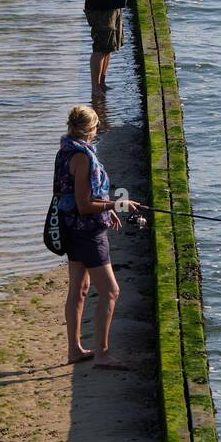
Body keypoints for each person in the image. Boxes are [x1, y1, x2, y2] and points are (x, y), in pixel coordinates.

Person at [53, 104, 141, 369]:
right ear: (91, 129)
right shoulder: (82, 157)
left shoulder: (65, 150)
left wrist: (106, 209)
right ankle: (102, 354)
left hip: (71, 227)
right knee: (111, 291)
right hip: (87, 232)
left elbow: (78, 197)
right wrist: (116, 205)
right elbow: (83, 204)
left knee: (79, 290)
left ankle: (75, 350)